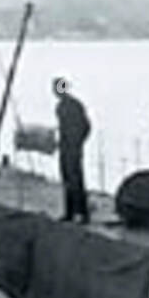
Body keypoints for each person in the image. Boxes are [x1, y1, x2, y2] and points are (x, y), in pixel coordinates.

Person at [53, 77, 90, 222]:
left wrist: (77, 142)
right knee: (68, 179)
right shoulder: (62, 106)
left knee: (75, 180)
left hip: (71, 147)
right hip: (65, 146)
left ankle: (81, 212)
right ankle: (70, 212)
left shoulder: (72, 105)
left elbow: (85, 126)